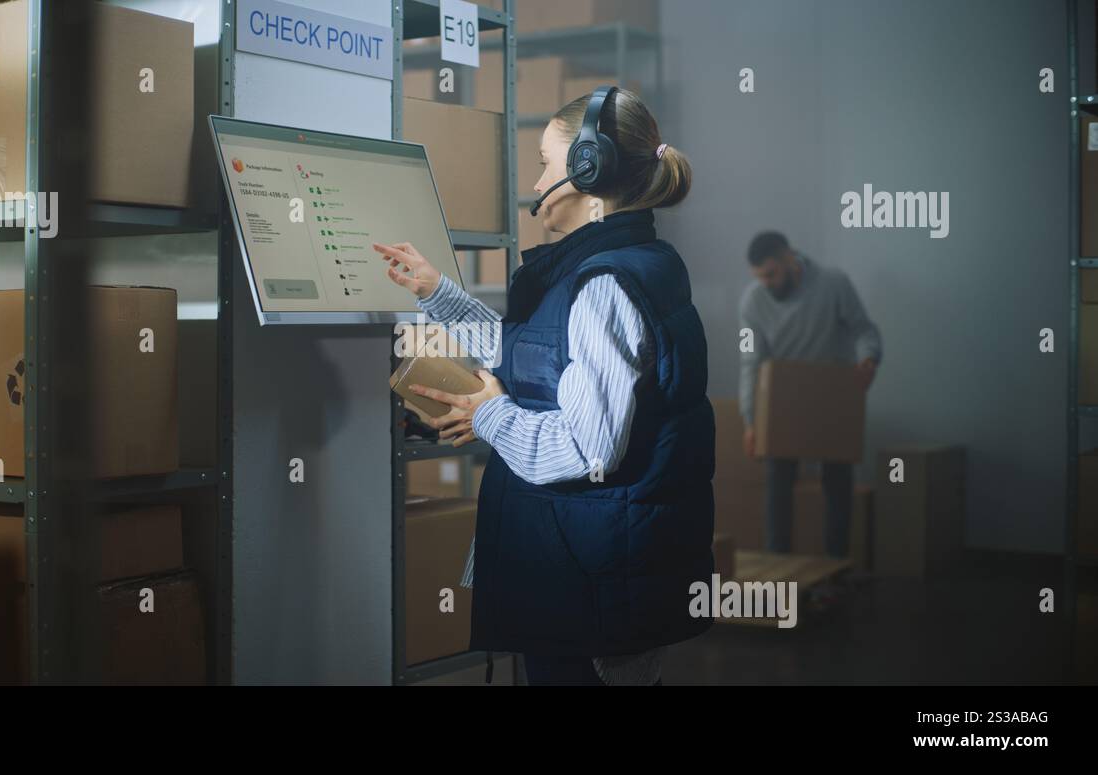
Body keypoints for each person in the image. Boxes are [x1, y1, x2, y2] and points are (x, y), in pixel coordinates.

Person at [373, 87, 714, 686]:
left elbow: (588, 450)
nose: (535, 184)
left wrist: (491, 416)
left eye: (544, 165)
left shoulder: (603, 287)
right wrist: (438, 293)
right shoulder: (627, 263)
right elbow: (531, 354)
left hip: (590, 580)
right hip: (593, 566)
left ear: (589, 170)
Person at [738, 231, 883, 558]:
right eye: (760, 277)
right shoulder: (752, 301)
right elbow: (750, 360)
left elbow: (863, 329)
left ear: (790, 258)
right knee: (778, 481)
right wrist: (750, 420)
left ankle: (837, 568)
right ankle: (779, 566)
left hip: (830, 399)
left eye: (771, 274)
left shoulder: (833, 283)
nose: (767, 283)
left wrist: (868, 358)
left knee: (837, 480)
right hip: (781, 404)